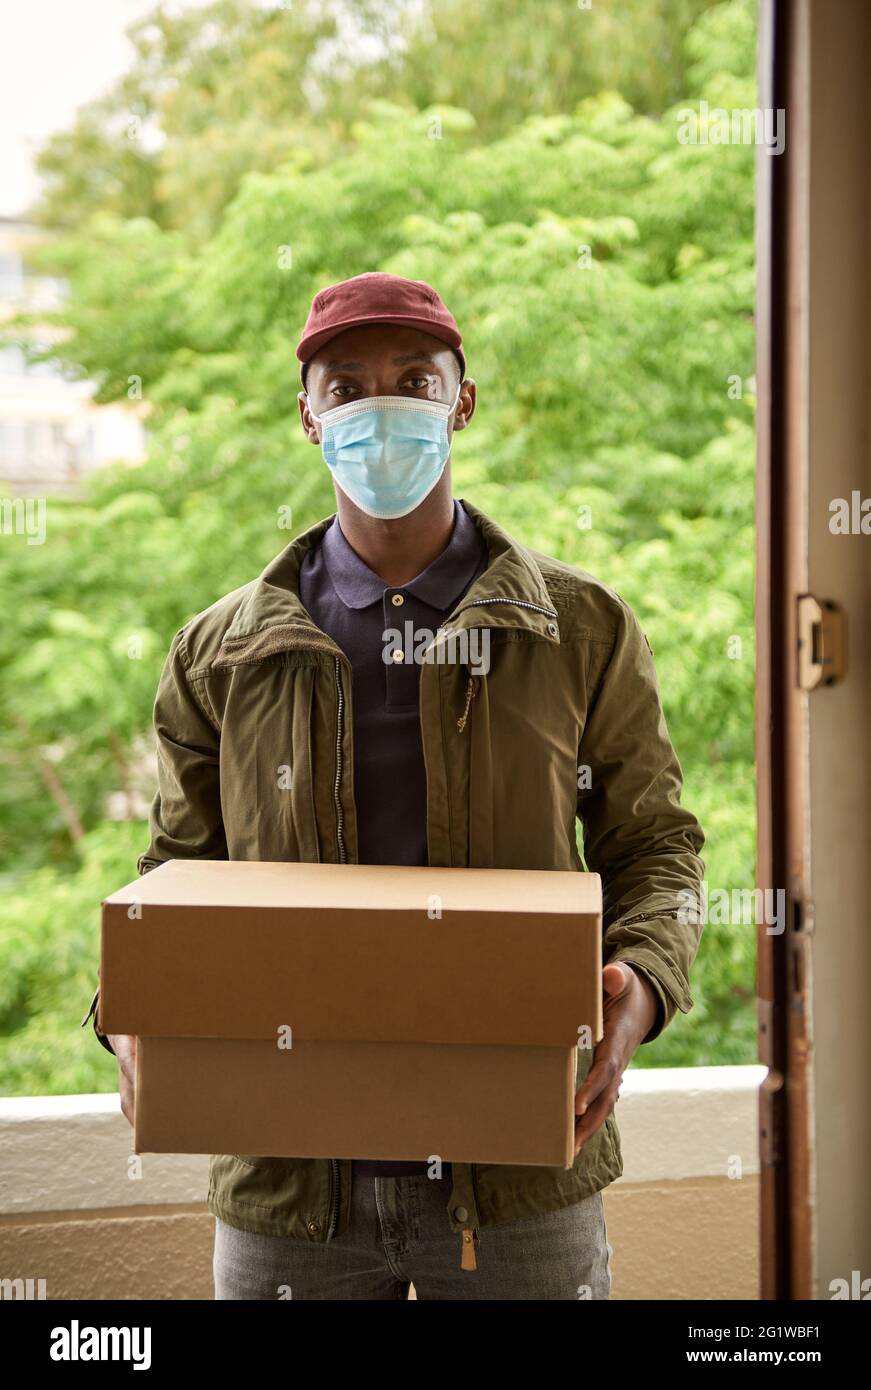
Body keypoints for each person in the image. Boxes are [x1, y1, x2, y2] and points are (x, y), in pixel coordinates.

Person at [83, 271, 706, 1300]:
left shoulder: (580, 629)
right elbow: (180, 874)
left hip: (520, 1176)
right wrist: (130, 1013)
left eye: (414, 381)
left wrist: (641, 981)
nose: (382, 408)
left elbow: (656, 847)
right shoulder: (220, 652)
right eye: (346, 386)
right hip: (291, 1189)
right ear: (307, 417)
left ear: (460, 402)